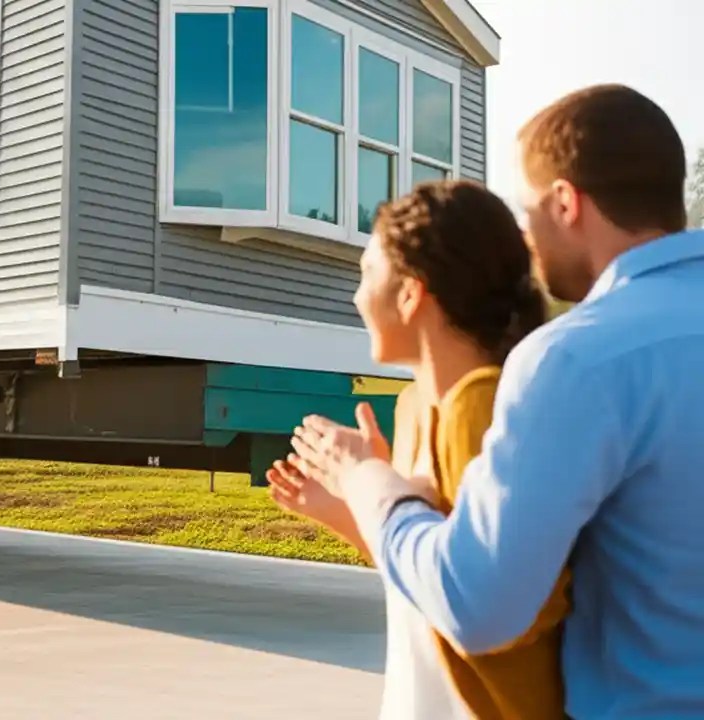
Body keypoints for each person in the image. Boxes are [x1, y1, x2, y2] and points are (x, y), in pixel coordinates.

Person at [289, 84, 704, 718]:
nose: (525, 237)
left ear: (565, 202)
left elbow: (478, 606)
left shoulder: (575, 359)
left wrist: (368, 481)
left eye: (528, 208)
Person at [269, 180, 567, 719]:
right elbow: (423, 576)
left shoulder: (483, 405)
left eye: (366, 274)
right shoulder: (411, 409)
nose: (356, 296)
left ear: (410, 294)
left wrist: (367, 478)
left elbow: (496, 602)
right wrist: (347, 507)